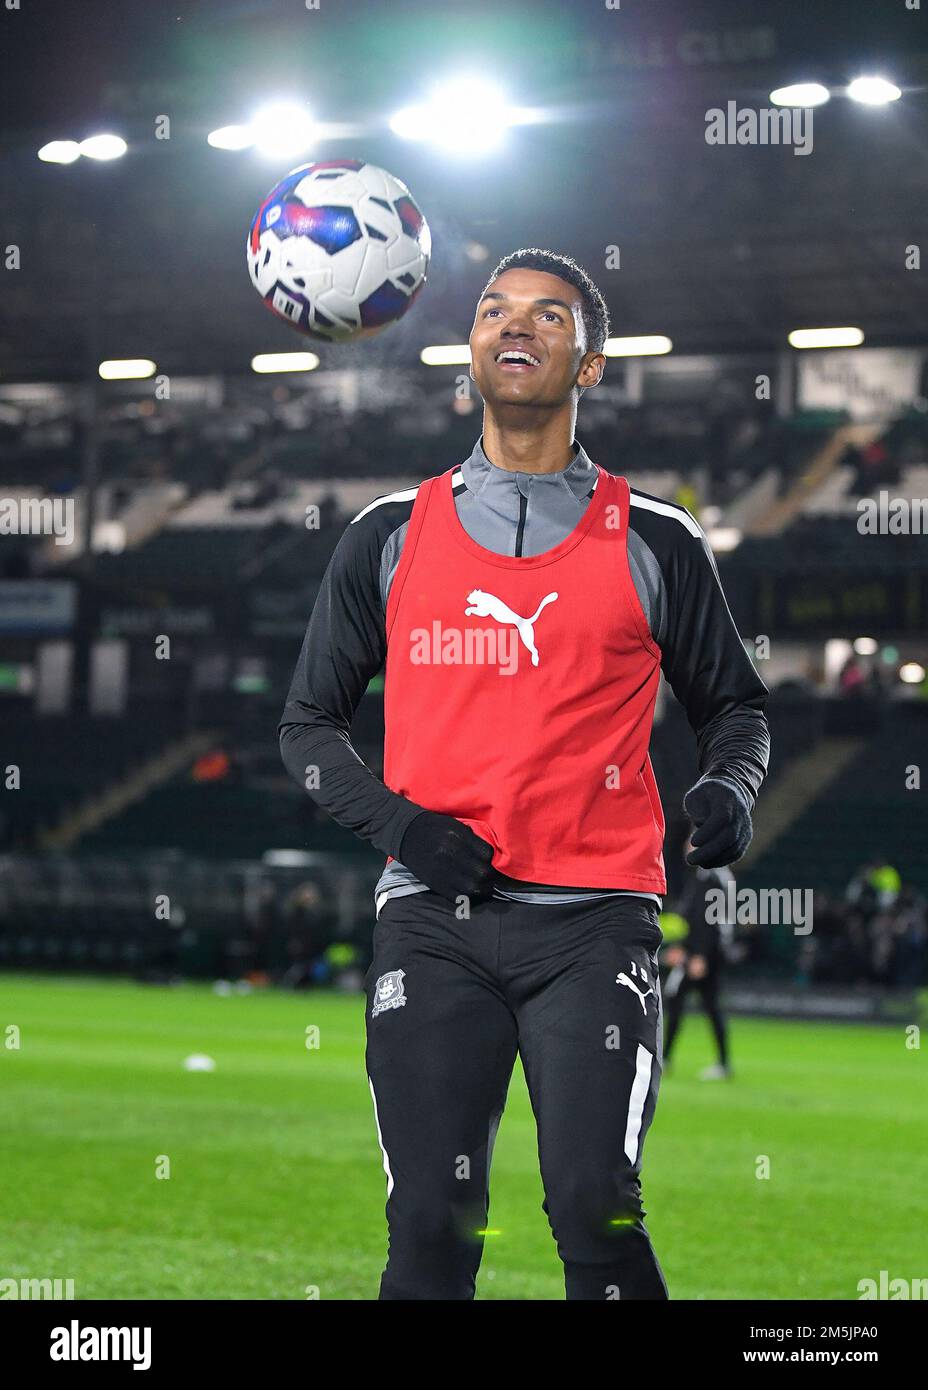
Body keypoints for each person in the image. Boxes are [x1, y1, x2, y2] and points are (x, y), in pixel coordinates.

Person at [279, 248, 770, 1300]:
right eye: (496, 309)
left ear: (588, 365)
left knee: (593, 1199)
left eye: (550, 315)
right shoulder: (387, 535)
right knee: (429, 1219)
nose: (517, 324)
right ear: (469, 351)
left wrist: (729, 786)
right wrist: (401, 827)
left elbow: (735, 706)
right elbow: (308, 723)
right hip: (433, 921)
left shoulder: (656, 540)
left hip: (595, 925)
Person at [661, 844, 736, 1080]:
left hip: (701, 955)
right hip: (705, 953)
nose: (687, 847)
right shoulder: (716, 875)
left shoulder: (711, 877)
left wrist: (698, 955)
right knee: (711, 1006)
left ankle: (665, 1058)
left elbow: (709, 921)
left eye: (694, 843)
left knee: (674, 998)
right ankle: (723, 1064)